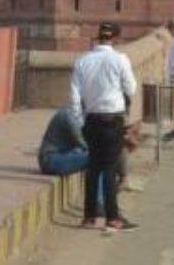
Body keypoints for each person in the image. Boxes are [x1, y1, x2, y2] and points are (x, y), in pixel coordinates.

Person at [69, 22, 139, 232]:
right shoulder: (120, 59)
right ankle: (112, 217)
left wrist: (80, 120)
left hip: (91, 120)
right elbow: (131, 88)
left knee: (93, 167)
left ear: (97, 37)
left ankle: (89, 216)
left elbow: (74, 97)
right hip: (112, 119)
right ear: (116, 38)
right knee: (109, 168)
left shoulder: (82, 61)